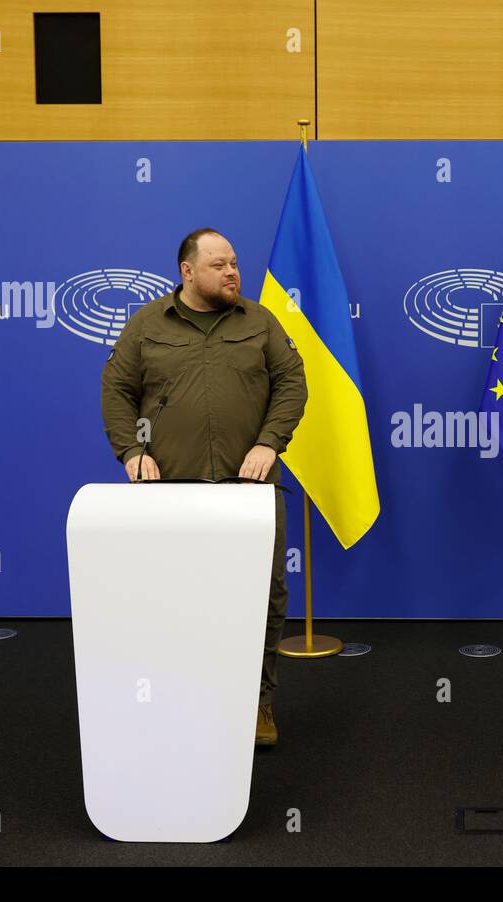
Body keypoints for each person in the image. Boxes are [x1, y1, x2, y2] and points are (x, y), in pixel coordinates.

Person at [100, 228, 307, 745]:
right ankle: (179, 701)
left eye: (234, 262)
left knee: (263, 597)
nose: (232, 271)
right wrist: (131, 452)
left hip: (250, 489)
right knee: (176, 599)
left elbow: (292, 384)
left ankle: (258, 705)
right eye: (218, 265)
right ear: (187, 271)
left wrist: (269, 443)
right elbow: (117, 390)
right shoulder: (146, 324)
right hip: (171, 492)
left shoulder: (259, 322)